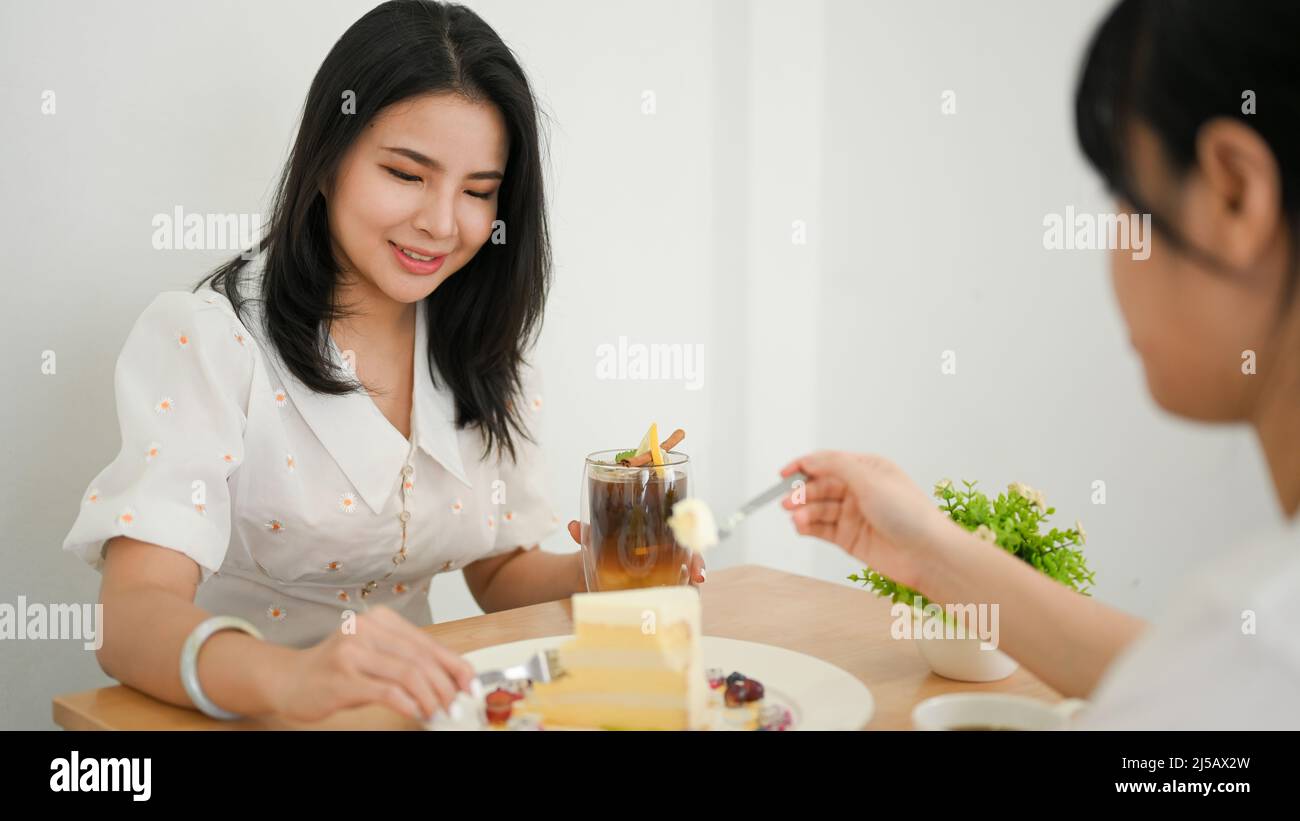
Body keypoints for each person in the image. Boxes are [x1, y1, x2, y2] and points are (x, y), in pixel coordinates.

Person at [782, 0, 1300, 729]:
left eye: (1121, 193)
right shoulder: (1245, 655)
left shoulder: (1260, 645)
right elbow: (1183, 677)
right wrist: (929, 550)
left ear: (1234, 193)